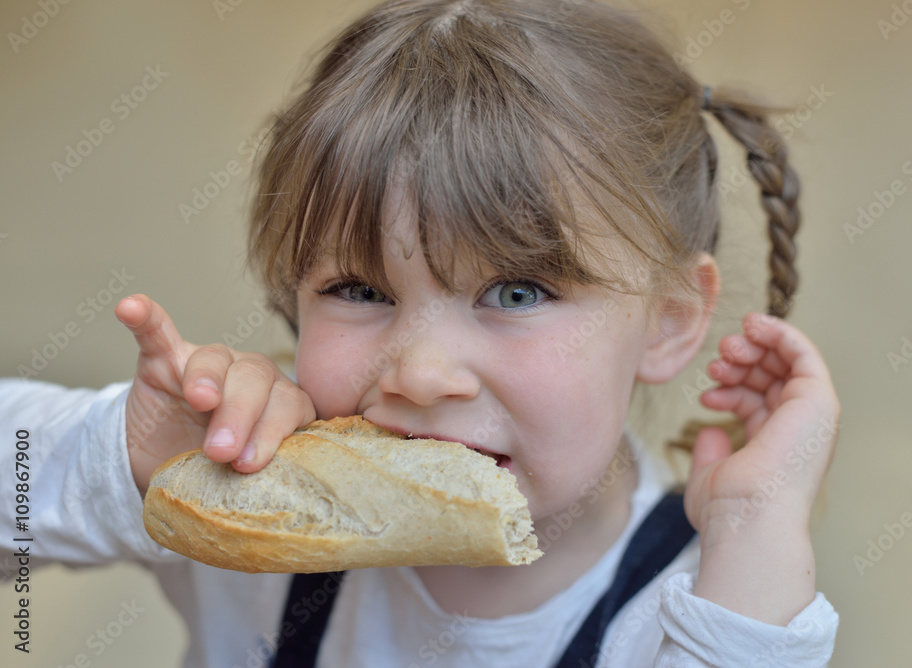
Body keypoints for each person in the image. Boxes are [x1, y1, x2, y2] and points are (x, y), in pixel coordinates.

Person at [0, 0, 840, 665]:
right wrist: (125, 463)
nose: (424, 372)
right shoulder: (253, 506)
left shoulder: (699, 604)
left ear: (668, 322)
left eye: (516, 291)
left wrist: (753, 533)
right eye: (359, 288)